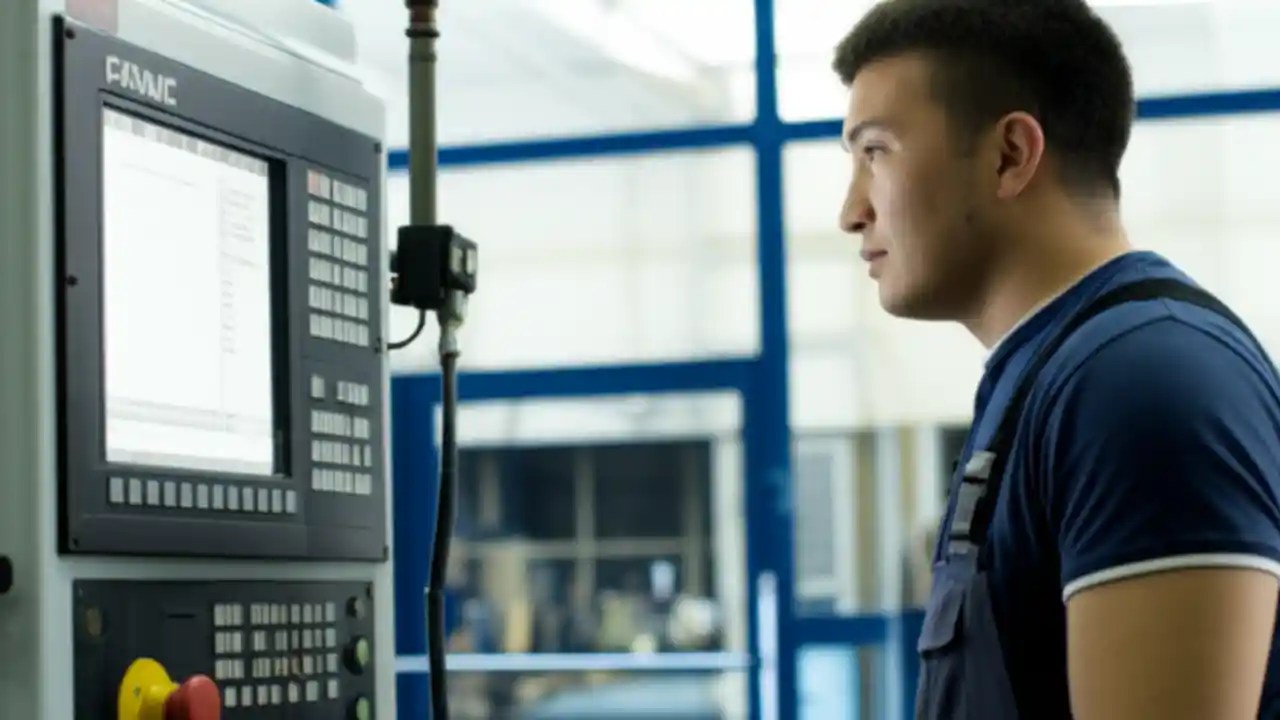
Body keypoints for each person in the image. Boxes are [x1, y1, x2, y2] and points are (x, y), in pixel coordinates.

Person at [832, 1, 1280, 719]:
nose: (852, 210)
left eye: (876, 153)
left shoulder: (1142, 383)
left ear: (1010, 155)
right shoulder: (1047, 380)